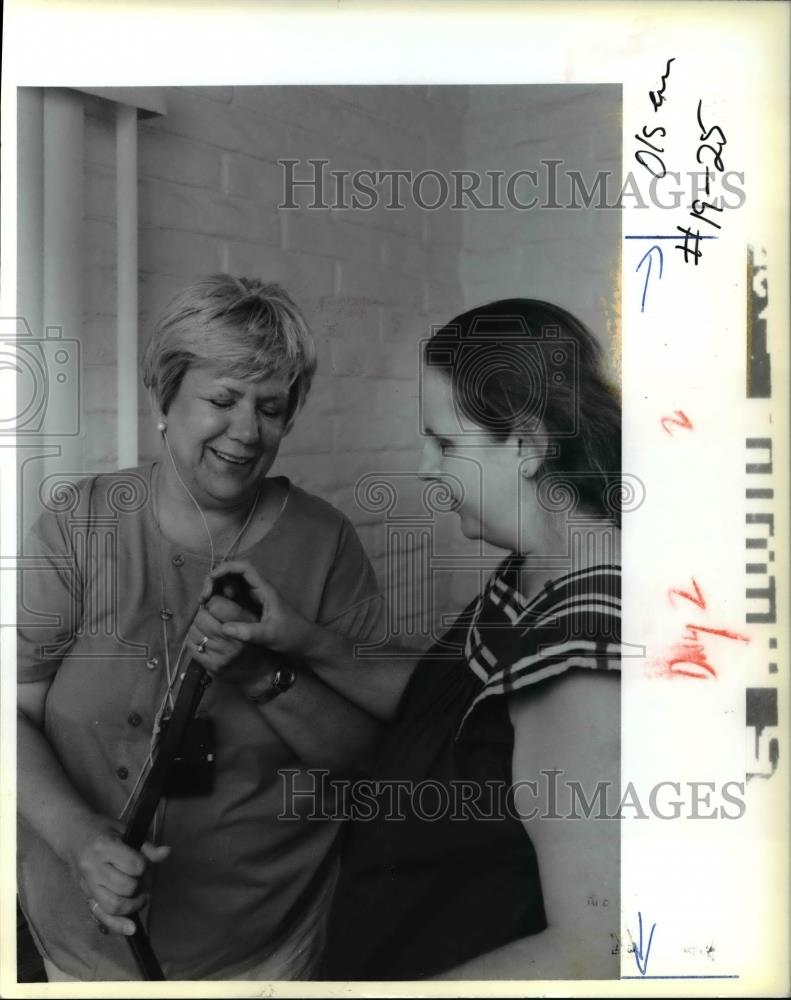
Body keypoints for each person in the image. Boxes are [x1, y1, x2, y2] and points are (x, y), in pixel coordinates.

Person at [213, 298, 622, 980]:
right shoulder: (536, 569)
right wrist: (302, 639)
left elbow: (592, 953)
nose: (427, 467)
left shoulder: (580, 665)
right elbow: (449, 706)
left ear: (527, 446)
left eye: (446, 444)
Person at [16, 275, 384, 981]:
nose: (247, 432)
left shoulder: (326, 543)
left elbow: (361, 755)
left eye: (271, 408)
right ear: (166, 397)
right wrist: (77, 838)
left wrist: (267, 678)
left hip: (261, 945)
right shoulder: (79, 523)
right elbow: (14, 712)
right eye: (222, 400)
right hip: (80, 946)